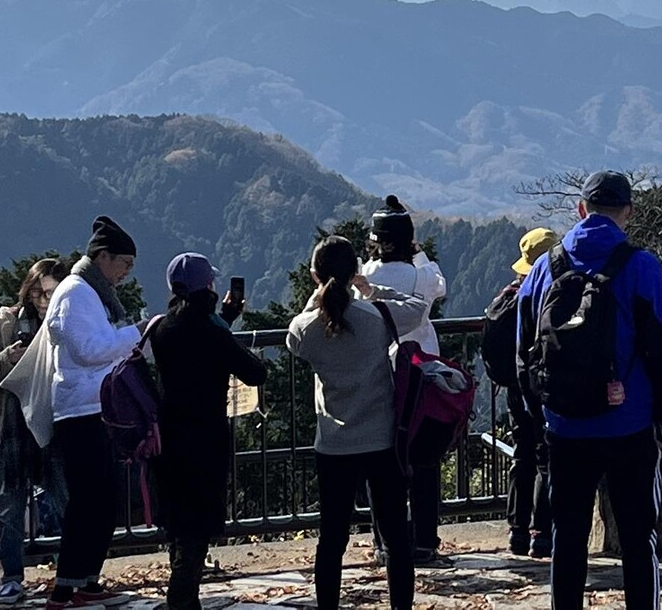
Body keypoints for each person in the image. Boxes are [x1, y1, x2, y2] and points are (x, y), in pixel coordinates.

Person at [515, 170, 662, 610]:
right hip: (629, 425)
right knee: (637, 540)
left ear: (581, 209)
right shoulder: (641, 266)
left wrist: (544, 414)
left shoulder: (544, 268)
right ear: (628, 212)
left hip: (566, 428)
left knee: (567, 540)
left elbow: (524, 354)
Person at [287, 235, 431, 610]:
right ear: (354, 272)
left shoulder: (304, 328)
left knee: (332, 540)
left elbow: (296, 339)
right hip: (382, 439)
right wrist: (368, 289)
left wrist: (319, 295)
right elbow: (417, 308)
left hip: (333, 443)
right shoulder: (377, 318)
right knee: (396, 536)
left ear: (315, 275)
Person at [151, 253, 267, 610]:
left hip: (168, 435)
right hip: (206, 436)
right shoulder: (211, 330)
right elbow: (254, 373)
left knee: (179, 516)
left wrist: (224, 318)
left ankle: (181, 588)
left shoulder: (161, 328)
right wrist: (225, 324)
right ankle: (183, 596)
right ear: (209, 286)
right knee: (198, 521)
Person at [42, 217, 143, 610]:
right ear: (102, 257)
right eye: (123, 264)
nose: (125, 274)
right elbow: (88, 349)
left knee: (103, 499)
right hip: (80, 409)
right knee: (88, 500)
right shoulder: (75, 292)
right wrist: (137, 333)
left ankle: (87, 579)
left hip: (95, 406)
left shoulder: (89, 292)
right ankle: (65, 587)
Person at [358, 195, 448, 566]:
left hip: (378, 375)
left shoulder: (363, 277)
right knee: (424, 462)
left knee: (382, 465)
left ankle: (385, 543)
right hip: (421, 374)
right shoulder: (420, 275)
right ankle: (425, 542)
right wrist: (420, 254)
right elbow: (440, 286)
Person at [0, 258, 70, 607]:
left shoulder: (63, 322)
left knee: (64, 501)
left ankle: (69, 574)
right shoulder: (7, 321)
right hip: (11, 428)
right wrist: (7, 358)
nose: (42, 299)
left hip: (51, 423)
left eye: (48, 291)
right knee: (11, 508)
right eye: (36, 291)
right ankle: (12, 577)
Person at [484, 227, 557, 558]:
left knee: (522, 453)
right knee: (546, 455)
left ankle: (517, 530)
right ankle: (543, 533)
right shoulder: (552, 293)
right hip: (544, 383)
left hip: (514, 385)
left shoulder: (510, 293)